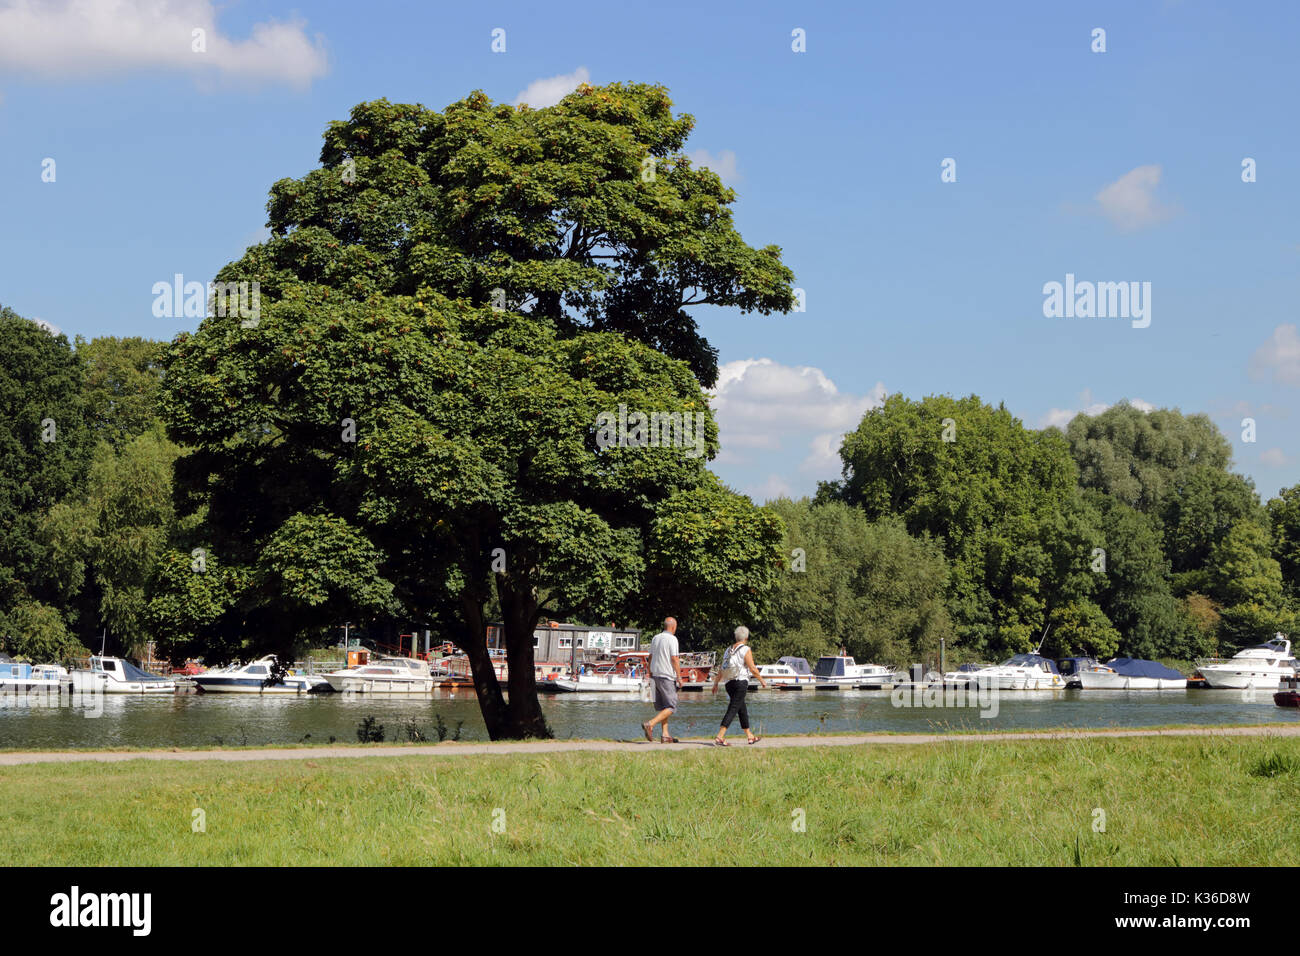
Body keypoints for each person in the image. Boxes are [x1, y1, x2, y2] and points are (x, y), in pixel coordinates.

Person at [711, 626, 766, 745]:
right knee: (734, 707)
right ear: (746, 637)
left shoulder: (728, 650)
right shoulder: (745, 649)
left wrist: (715, 683)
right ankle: (720, 736)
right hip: (740, 682)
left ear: (736, 637)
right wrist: (761, 680)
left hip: (729, 683)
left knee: (741, 708)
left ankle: (750, 735)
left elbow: (722, 668)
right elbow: (752, 668)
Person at [642, 617, 681, 743]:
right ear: (673, 627)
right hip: (666, 675)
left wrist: (649, 672)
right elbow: (674, 658)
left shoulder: (655, 638)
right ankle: (650, 724)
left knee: (663, 706)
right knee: (671, 706)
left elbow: (650, 657)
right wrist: (679, 677)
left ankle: (665, 735)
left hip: (654, 674)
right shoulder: (673, 639)